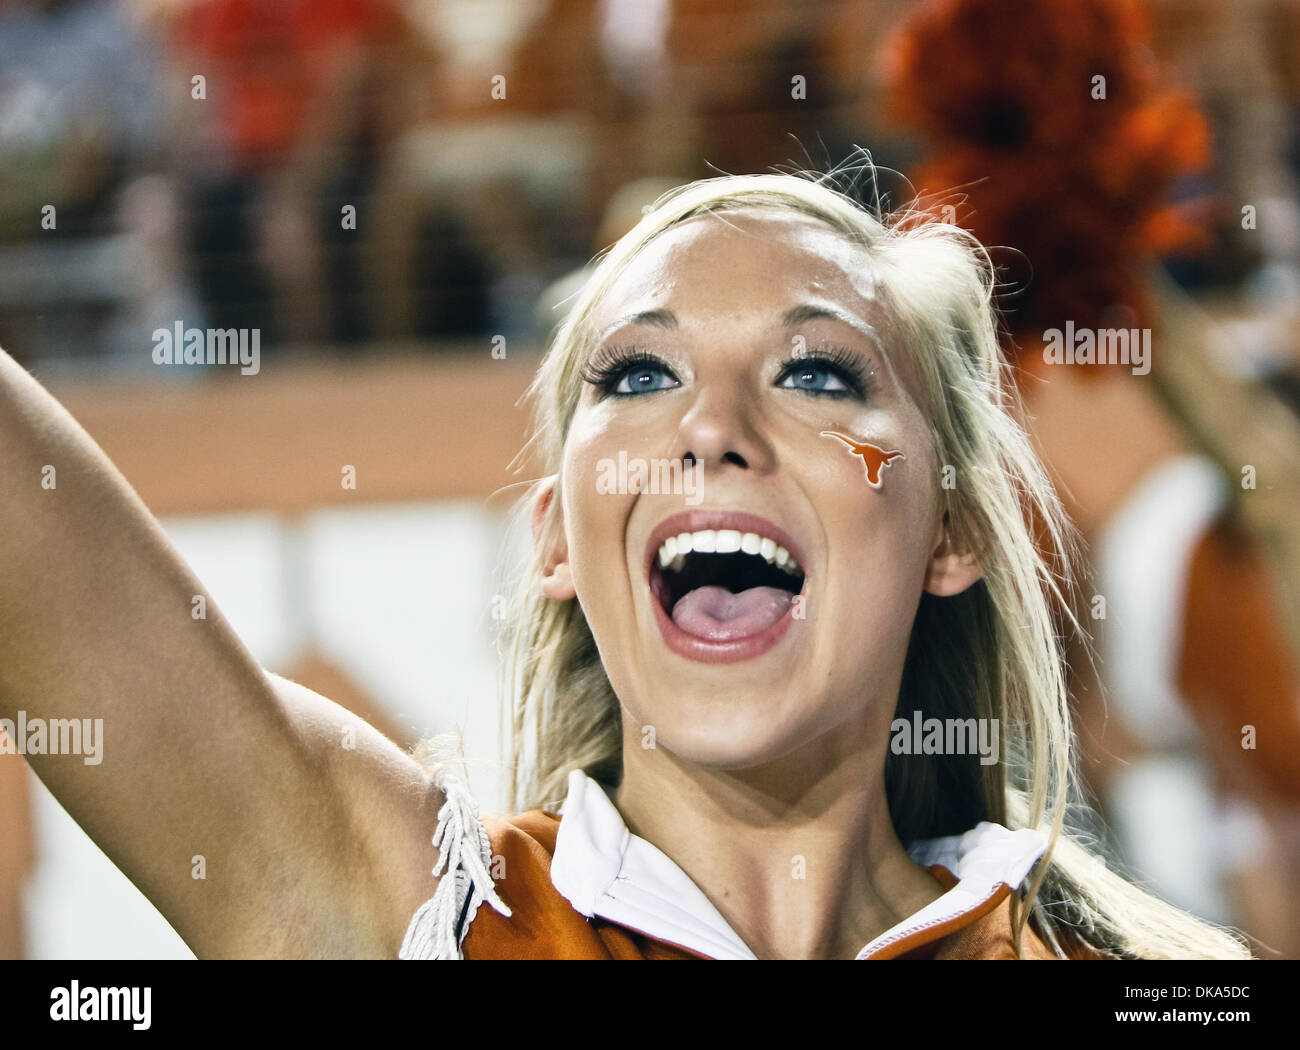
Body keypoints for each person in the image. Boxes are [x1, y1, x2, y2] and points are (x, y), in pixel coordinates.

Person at [0, 168, 1253, 960]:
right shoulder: (417, 922)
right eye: (639, 375)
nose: (709, 429)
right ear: (554, 535)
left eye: (816, 372)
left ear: (952, 532)